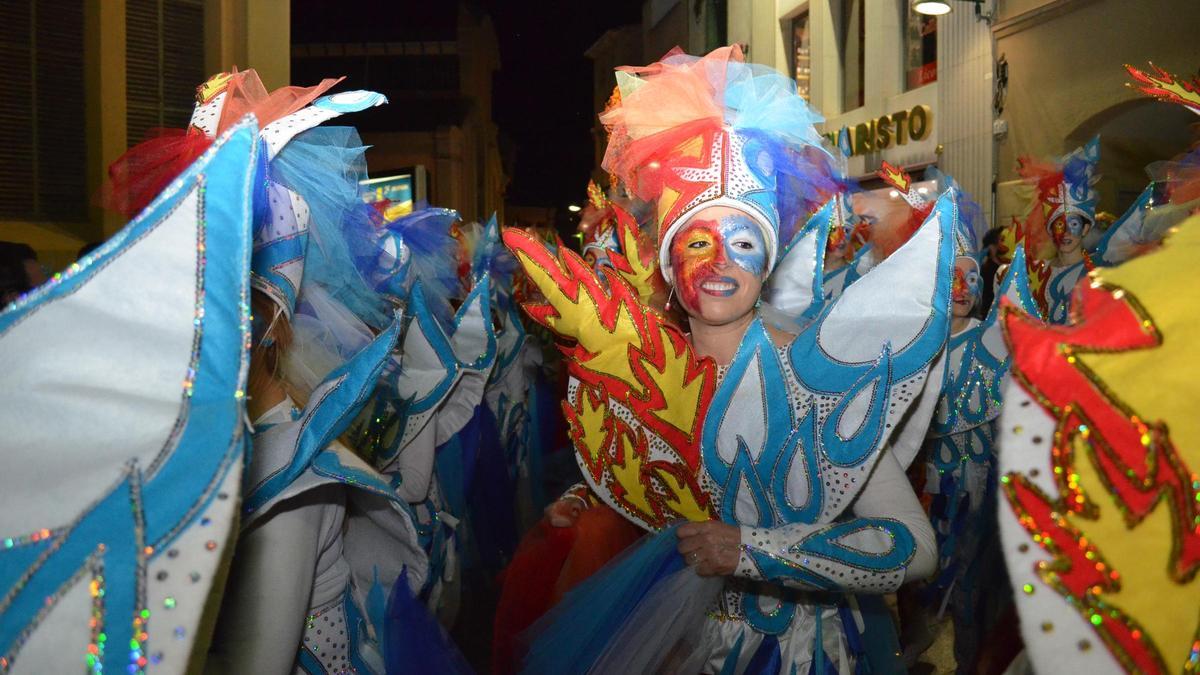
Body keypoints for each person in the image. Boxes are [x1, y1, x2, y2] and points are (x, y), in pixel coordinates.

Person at [503, 45, 950, 674]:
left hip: (801, 656)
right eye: (697, 242)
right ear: (668, 263)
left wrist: (750, 552)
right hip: (676, 647)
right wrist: (592, 503)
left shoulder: (815, 375)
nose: (720, 265)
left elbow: (913, 548)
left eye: (743, 244)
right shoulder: (646, 372)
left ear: (766, 264)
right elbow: (663, 494)